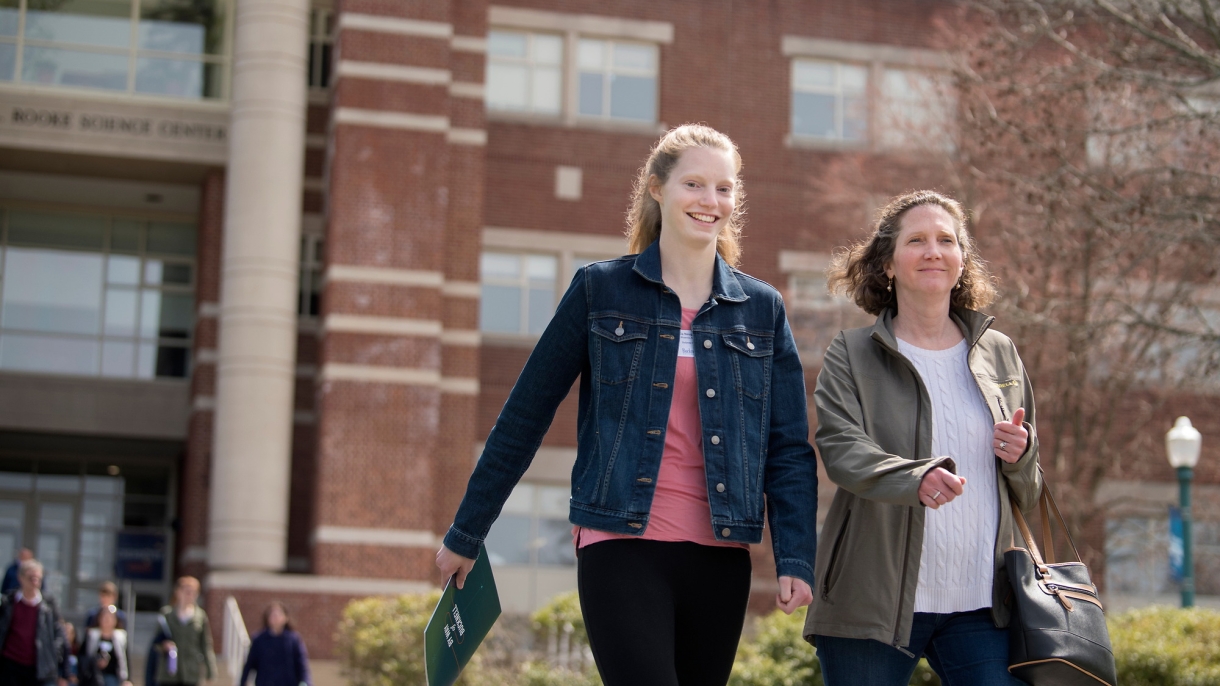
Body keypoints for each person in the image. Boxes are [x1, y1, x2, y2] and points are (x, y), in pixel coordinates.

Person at [436, 124, 818, 686]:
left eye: (723, 188)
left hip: (720, 553)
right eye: (694, 184)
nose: (710, 201)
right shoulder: (601, 291)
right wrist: (466, 533)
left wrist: (795, 556)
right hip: (622, 543)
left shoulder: (761, 309)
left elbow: (787, 447)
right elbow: (524, 415)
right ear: (657, 189)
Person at [803, 190, 1041, 685]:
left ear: (961, 261)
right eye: (916, 240)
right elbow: (842, 452)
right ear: (887, 264)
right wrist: (916, 478)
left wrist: (1020, 456)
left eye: (946, 240)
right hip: (872, 601)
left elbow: (1030, 491)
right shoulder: (852, 354)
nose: (934, 251)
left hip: (983, 603)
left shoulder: (999, 353)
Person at [0, 559, 66, 686]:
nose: (35, 582)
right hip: (10, 666)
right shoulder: (8, 602)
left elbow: (59, 633)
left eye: (38, 578)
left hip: (39, 668)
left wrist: (53, 654)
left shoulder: (49, 605)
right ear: (21, 578)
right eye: (31, 578)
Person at [150, 577, 215, 686]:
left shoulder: (200, 616)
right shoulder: (167, 614)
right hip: (169, 672)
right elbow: (156, 643)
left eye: (193, 592)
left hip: (191, 672)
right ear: (178, 592)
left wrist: (210, 670)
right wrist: (164, 646)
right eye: (187, 592)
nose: (189, 595)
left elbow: (206, 645)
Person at [238, 602, 310, 686]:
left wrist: (306, 682)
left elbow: (302, 665)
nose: (276, 617)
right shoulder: (259, 640)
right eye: (272, 615)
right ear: (267, 618)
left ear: (286, 618)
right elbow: (250, 664)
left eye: (279, 614)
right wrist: (243, 682)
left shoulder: (294, 640)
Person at [77, 606, 130, 686]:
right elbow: (82, 655)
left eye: (110, 618)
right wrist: (96, 661)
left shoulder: (121, 638)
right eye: (105, 617)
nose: (107, 620)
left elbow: (125, 659)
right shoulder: (91, 636)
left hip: (113, 676)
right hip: (92, 675)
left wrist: (128, 680)